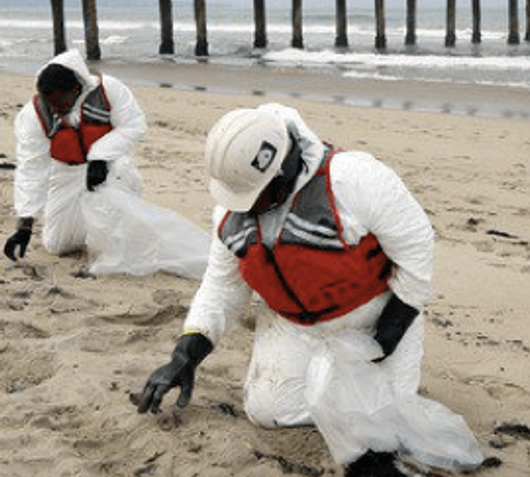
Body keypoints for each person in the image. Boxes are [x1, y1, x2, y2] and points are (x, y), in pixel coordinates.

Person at [135, 104, 483, 477]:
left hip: (371, 318)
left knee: (386, 430)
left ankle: (362, 391)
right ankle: (329, 392)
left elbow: (416, 256)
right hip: (294, 326)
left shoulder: (356, 180)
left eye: (255, 194)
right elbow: (220, 288)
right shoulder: (229, 213)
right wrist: (185, 355)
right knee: (268, 413)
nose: (246, 206)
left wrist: (382, 343)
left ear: (284, 166)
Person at [4, 49, 147, 262]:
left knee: (111, 242)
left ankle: (111, 228)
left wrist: (100, 156)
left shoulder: (109, 89)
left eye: (60, 102)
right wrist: (24, 225)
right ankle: (90, 226)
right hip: (65, 172)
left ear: (76, 89)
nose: (55, 109)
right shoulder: (34, 115)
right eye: (50, 102)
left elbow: (135, 126)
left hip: (111, 167)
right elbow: (31, 168)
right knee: (57, 245)